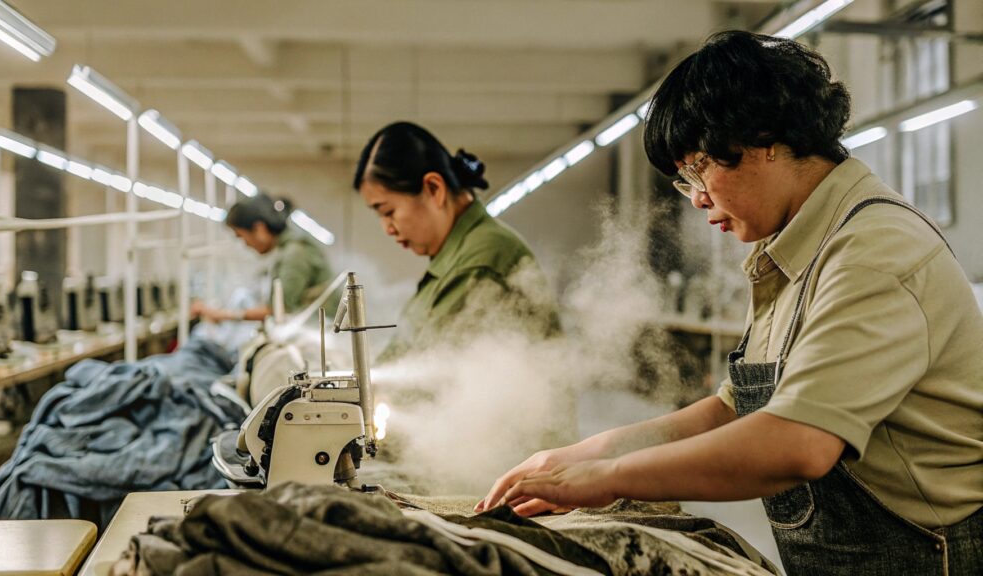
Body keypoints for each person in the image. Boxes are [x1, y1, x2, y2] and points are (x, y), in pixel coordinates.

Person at [476, 31, 983, 575]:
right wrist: (582, 456)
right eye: (683, 181)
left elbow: (796, 442)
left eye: (699, 170)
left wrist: (604, 480)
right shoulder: (793, 250)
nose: (695, 198)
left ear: (764, 137)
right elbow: (736, 409)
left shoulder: (873, 250)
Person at [354, 121, 559, 362]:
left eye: (388, 211)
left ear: (433, 188)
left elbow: (430, 370)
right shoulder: (455, 258)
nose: (387, 229)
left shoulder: (480, 261)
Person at [191, 193, 333, 322]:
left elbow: (279, 309)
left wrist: (222, 314)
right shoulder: (289, 250)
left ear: (260, 228)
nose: (245, 244)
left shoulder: (295, 253)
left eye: (241, 237)